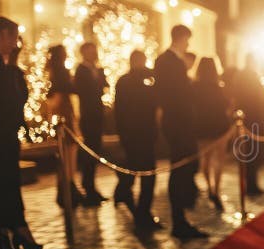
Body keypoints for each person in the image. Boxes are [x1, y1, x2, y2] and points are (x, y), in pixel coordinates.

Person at [0, 16, 43, 249]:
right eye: (14, 36)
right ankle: (17, 229)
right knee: (3, 184)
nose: (15, 42)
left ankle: (12, 231)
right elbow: (1, 101)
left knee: (3, 185)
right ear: (4, 35)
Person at [154, 25, 207, 238]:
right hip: (178, 123)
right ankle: (179, 221)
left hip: (178, 122)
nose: (188, 45)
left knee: (183, 169)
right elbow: (174, 95)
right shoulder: (171, 61)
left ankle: (181, 217)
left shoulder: (169, 61)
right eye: (187, 40)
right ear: (181, 38)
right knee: (180, 170)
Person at [113, 51, 162, 229]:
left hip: (142, 134)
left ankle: (125, 194)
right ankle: (142, 212)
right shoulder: (129, 82)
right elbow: (120, 111)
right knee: (145, 173)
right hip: (137, 134)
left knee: (136, 170)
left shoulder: (143, 80)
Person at [45, 45, 87, 207]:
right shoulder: (60, 72)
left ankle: (66, 188)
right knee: (68, 152)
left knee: (67, 152)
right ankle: (68, 189)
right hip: (64, 112)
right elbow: (68, 89)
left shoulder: (53, 71)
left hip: (62, 111)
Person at [192, 57, 230, 211]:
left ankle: (209, 186)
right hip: (219, 127)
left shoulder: (194, 87)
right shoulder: (218, 87)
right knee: (218, 160)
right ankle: (216, 189)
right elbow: (226, 106)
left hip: (202, 127)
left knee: (205, 159)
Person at [74, 42, 109, 206]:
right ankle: (88, 187)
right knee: (90, 152)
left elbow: (104, 87)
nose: (94, 53)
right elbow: (83, 91)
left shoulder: (97, 69)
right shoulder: (81, 70)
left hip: (97, 114)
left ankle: (92, 187)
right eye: (91, 51)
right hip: (88, 116)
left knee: (96, 151)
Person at [230, 54, 264, 195]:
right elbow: (256, 98)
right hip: (251, 119)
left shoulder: (242, 76)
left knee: (250, 154)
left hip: (250, 118)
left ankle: (251, 183)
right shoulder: (249, 76)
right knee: (250, 153)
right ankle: (250, 185)